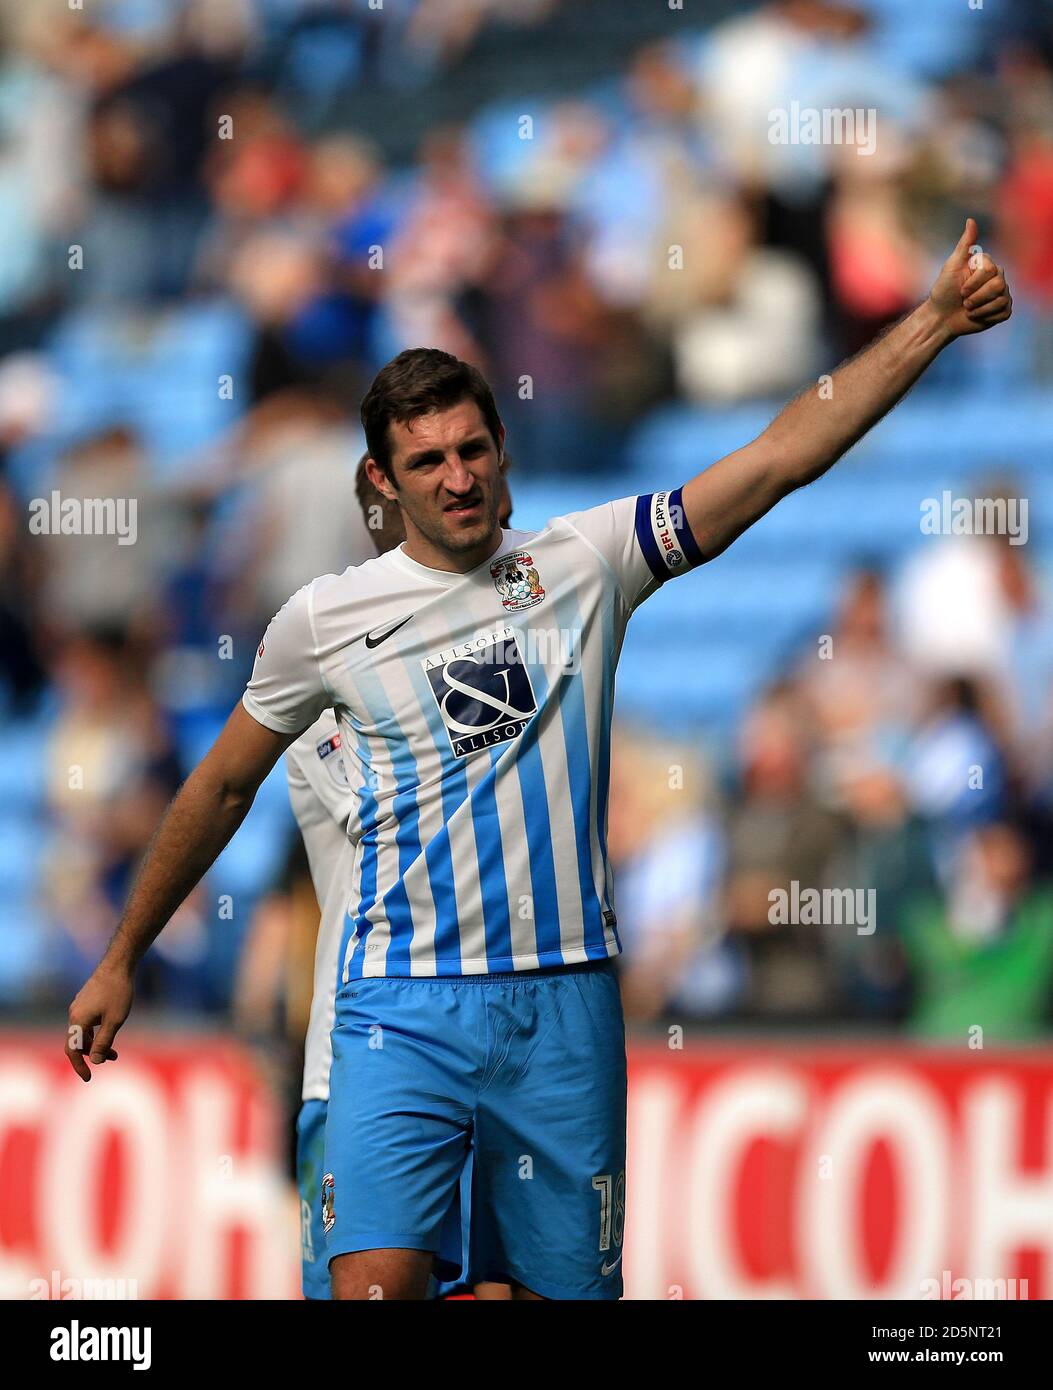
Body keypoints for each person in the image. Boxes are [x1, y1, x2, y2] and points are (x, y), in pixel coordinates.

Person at [66, 222, 1012, 1299]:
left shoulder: (585, 563)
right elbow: (226, 781)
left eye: (473, 449)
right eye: (428, 461)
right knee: (375, 1280)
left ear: (503, 449)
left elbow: (778, 460)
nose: (459, 478)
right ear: (384, 481)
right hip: (399, 1001)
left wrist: (930, 323)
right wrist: (123, 952)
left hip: (563, 999)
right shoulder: (323, 623)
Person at [291, 454, 513, 1301]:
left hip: (500, 1045)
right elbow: (425, 796)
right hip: (362, 1063)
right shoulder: (324, 683)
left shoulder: (500, 656)